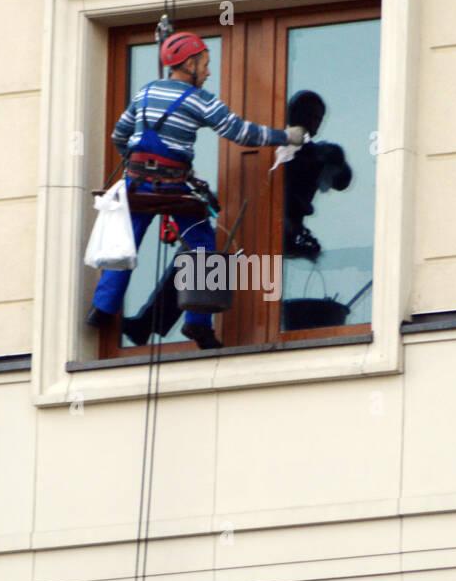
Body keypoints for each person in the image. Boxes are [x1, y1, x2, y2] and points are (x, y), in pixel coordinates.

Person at [87, 31, 304, 349]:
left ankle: (101, 311)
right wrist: (285, 137)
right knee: (203, 244)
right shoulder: (199, 100)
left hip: (137, 185)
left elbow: (120, 134)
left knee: (124, 246)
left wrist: (138, 162)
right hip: (174, 187)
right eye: (205, 64)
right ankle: (199, 323)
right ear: (189, 63)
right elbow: (240, 132)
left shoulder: (144, 93)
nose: (208, 71)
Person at [282, 90, 353, 261]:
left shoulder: (319, 154)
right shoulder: (272, 147)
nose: (312, 122)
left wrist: (335, 159)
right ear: (292, 115)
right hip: (270, 230)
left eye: (317, 118)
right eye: (308, 115)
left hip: (290, 235)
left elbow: (342, 181)